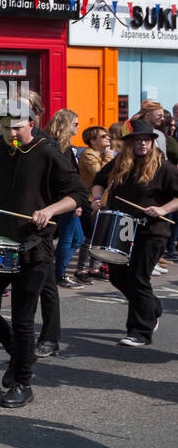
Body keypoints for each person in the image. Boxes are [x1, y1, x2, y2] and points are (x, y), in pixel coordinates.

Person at [0, 117, 88, 408]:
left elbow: (78, 193)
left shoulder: (48, 152)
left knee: (23, 318)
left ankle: (23, 382)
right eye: (5, 128)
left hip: (34, 246)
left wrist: (50, 210)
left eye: (17, 127)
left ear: (31, 124)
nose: (11, 133)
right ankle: (20, 354)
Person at [90, 120, 178, 346]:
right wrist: (97, 199)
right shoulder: (121, 163)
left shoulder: (164, 168)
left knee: (138, 277)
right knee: (118, 276)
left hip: (151, 230)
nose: (142, 144)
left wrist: (162, 209)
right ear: (130, 143)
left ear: (152, 142)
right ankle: (152, 307)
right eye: (138, 140)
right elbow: (98, 181)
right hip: (122, 227)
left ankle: (139, 331)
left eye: (146, 140)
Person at [45, 110, 85, 290]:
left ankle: (56, 271)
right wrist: (74, 201)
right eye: (75, 123)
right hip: (65, 198)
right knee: (68, 238)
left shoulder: (64, 146)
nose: (78, 126)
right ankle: (59, 274)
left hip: (69, 198)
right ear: (65, 124)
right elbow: (63, 177)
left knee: (78, 238)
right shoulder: (59, 148)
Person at [74, 125, 113, 284]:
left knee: (100, 236)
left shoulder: (102, 154)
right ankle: (81, 269)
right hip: (90, 200)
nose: (108, 138)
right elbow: (99, 174)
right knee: (89, 237)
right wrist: (109, 157)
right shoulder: (88, 154)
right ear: (93, 140)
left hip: (102, 200)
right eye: (104, 136)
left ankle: (94, 268)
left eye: (108, 136)